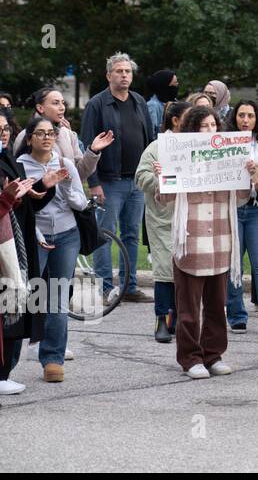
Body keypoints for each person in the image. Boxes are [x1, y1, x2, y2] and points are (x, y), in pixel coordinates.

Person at [161, 106, 249, 379]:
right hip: (191, 243)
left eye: (213, 125)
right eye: (204, 127)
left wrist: (248, 173)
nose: (210, 131)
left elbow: (242, 197)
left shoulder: (227, 157)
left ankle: (214, 354)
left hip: (221, 243)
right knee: (188, 308)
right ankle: (190, 357)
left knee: (217, 305)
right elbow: (165, 200)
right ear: (192, 131)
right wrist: (161, 176)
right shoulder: (180, 157)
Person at [81, 52, 157, 302]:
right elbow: (87, 145)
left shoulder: (138, 101)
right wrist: (94, 183)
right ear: (108, 75)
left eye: (128, 72)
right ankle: (105, 289)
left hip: (137, 181)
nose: (124, 75)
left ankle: (129, 286)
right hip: (108, 182)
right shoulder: (97, 104)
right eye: (119, 71)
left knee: (132, 235)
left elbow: (149, 141)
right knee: (104, 235)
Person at [16, 117, 84, 383]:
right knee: (24, 296)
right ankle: (11, 356)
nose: (46, 137)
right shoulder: (20, 166)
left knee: (57, 299)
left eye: (51, 133)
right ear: (30, 137)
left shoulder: (65, 164)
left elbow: (79, 203)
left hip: (67, 235)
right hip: (34, 237)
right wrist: (37, 235)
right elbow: (20, 212)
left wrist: (64, 186)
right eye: (40, 133)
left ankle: (52, 359)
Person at [136, 101, 190, 343]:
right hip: (163, 218)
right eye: (188, 118)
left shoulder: (195, 146)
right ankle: (162, 319)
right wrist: (160, 181)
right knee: (165, 271)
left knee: (186, 270)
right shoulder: (157, 147)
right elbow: (141, 177)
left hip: (191, 218)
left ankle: (180, 318)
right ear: (176, 120)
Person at [224, 100, 258, 335]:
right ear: (234, 117)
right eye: (241, 115)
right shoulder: (225, 142)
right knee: (234, 265)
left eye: (250, 115)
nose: (245, 120)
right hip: (233, 208)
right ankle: (236, 316)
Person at [0, 129, 44, 396]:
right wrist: (7, 198)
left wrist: (41, 189)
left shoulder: (8, 159)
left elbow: (17, 206)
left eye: (5, 129)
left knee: (10, 312)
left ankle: (4, 374)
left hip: (12, 242)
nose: (2, 134)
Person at [19, 87, 112, 183]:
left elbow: (79, 174)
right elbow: (21, 176)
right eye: (55, 103)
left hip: (70, 196)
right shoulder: (25, 136)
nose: (62, 107)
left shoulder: (68, 134)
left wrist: (93, 151)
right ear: (40, 108)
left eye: (63, 103)